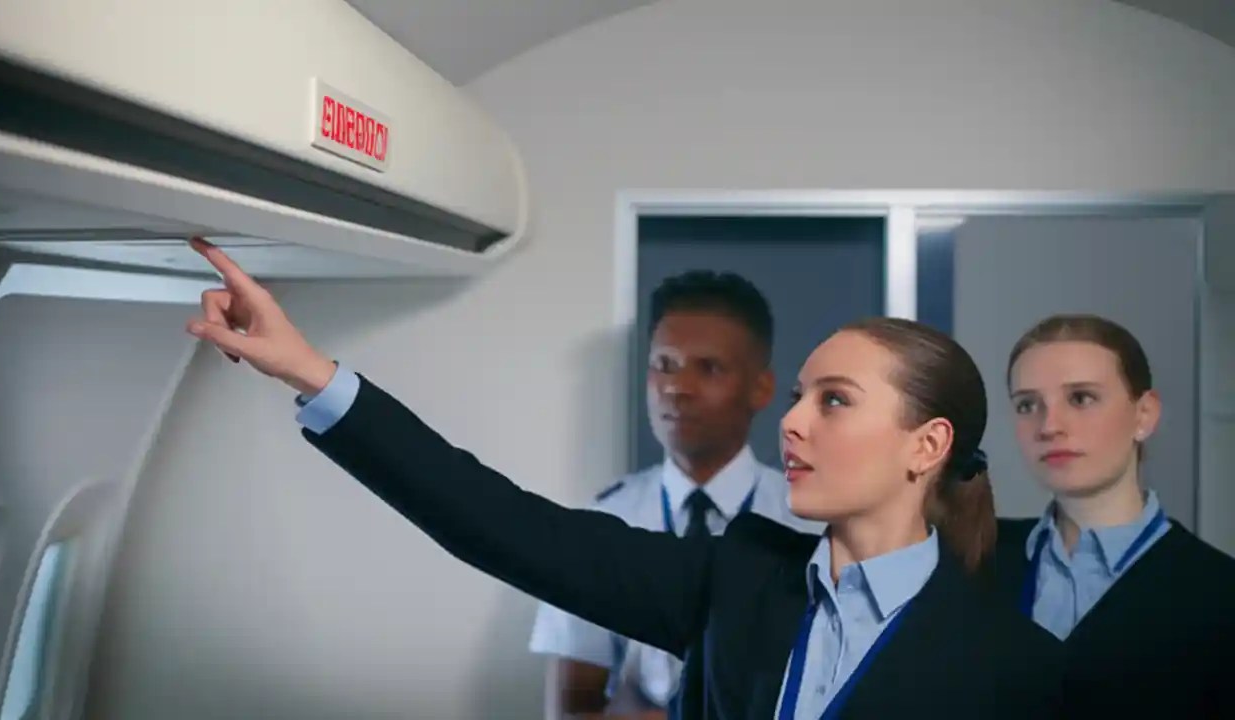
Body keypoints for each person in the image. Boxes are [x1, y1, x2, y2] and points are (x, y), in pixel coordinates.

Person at [184, 237, 1063, 719]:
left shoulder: (1013, 668)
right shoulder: (736, 576)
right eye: (797, 395)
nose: (792, 420)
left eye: (834, 401)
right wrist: (310, 372)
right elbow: (497, 521)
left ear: (926, 445)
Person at [528, 270, 823, 719]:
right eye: (664, 364)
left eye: (709, 368)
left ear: (761, 388)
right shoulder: (602, 523)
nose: (676, 387)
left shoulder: (811, 523)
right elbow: (568, 711)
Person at [987, 313, 1235, 716]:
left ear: (1144, 415)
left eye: (1081, 398)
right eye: (1028, 404)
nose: (1050, 426)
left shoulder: (1219, 596)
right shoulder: (974, 562)